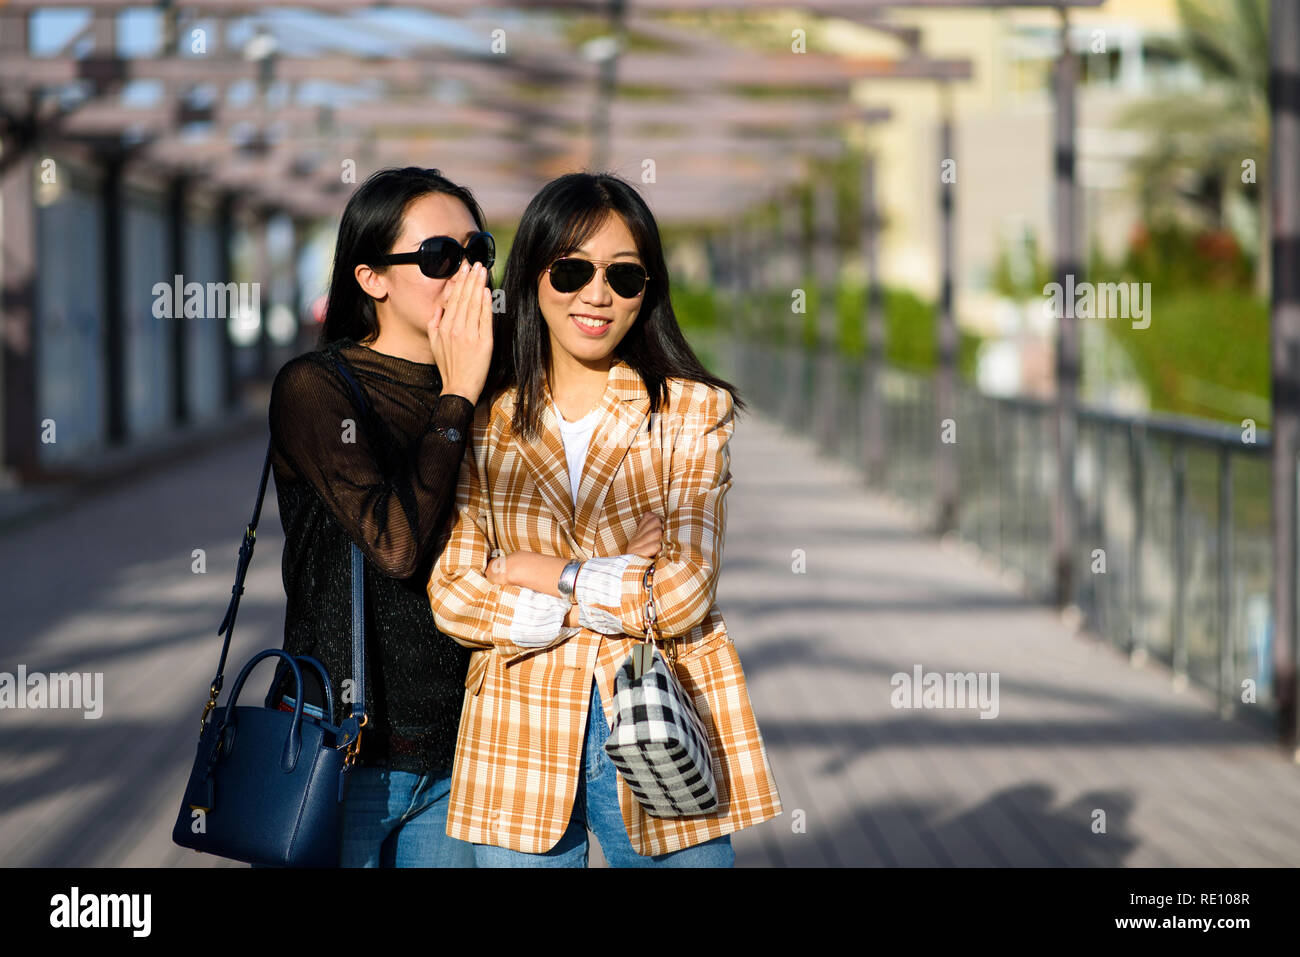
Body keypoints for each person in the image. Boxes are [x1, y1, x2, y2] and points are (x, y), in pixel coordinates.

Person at [427, 171, 782, 866]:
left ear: (647, 290)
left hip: (663, 730)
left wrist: (542, 572)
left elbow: (682, 593)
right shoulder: (482, 420)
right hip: (517, 742)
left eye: (624, 276)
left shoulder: (690, 410)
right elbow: (454, 596)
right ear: (533, 274)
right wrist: (612, 575)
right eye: (572, 270)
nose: (597, 294)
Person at [268, 166, 494, 867]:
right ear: (372, 278)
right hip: (346, 749)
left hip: (464, 746)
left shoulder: (497, 376)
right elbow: (396, 543)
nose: (467, 276)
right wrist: (456, 395)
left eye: (478, 252)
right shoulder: (316, 387)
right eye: (439, 259)